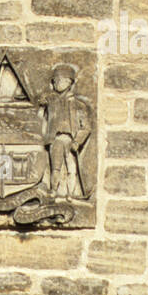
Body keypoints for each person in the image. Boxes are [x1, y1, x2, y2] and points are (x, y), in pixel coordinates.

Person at [40, 64, 90, 200]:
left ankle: (71, 194)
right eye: (54, 81)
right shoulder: (51, 101)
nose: (54, 84)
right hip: (55, 139)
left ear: (68, 82)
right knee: (55, 167)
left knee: (71, 168)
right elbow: (41, 103)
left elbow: (86, 127)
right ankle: (53, 191)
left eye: (57, 80)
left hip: (70, 139)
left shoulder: (79, 105)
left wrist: (78, 142)